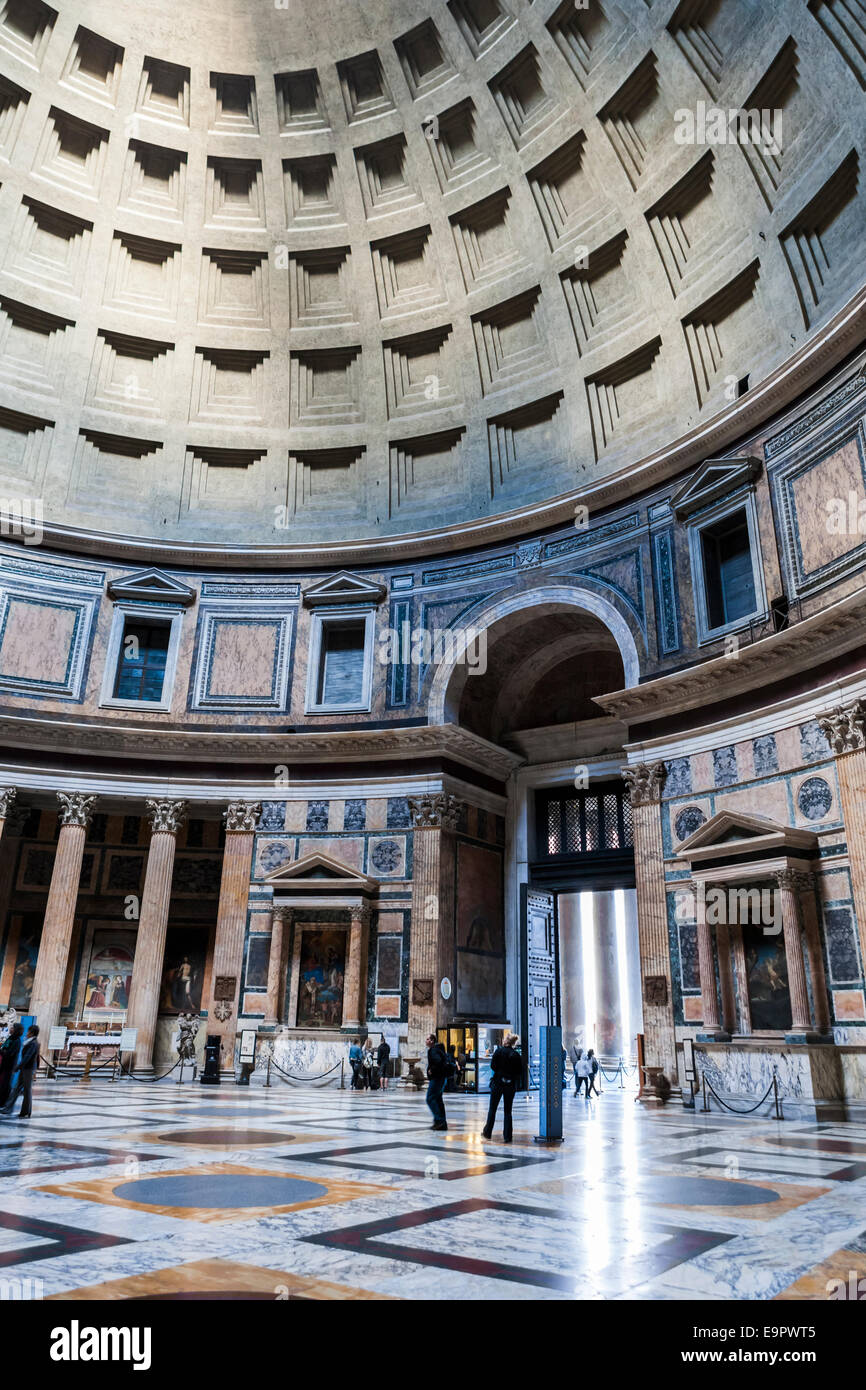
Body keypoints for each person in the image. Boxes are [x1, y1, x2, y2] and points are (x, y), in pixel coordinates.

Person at [482, 1032, 522, 1142]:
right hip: (510, 1085)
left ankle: (487, 1132)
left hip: (498, 1083)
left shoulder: (498, 1052)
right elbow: (519, 1071)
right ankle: (507, 1136)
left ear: (506, 1041)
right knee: (508, 1111)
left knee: (492, 1108)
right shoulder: (516, 1055)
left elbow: (493, 1066)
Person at [1, 1024, 38, 1119]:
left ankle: (26, 1111)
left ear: (32, 1033)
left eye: (29, 1031)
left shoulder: (33, 1043)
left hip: (28, 1069)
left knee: (27, 1091)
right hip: (24, 1069)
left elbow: (27, 1057)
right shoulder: (29, 1042)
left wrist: (18, 1066)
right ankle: (8, 1108)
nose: (27, 1033)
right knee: (16, 1088)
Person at [425, 1032, 449, 1130]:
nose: (426, 1041)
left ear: (432, 1041)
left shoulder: (433, 1050)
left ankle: (439, 1120)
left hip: (437, 1078)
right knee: (438, 1100)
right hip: (442, 1077)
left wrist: (432, 1070)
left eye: (427, 1039)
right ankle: (442, 1122)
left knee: (430, 1098)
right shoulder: (438, 1049)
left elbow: (438, 1062)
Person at [0, 1022, 22, 1109]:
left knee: (6, 1084)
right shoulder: (10, 1038)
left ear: (16, 1030)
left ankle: (3, 1102)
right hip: (4, 1064)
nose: (10, 1029)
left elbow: (10, 1053)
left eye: (12, 1028)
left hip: (9, 1065)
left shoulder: (17, 1041)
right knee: (2, 1083)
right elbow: (4, 1048)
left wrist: (1, 1051)